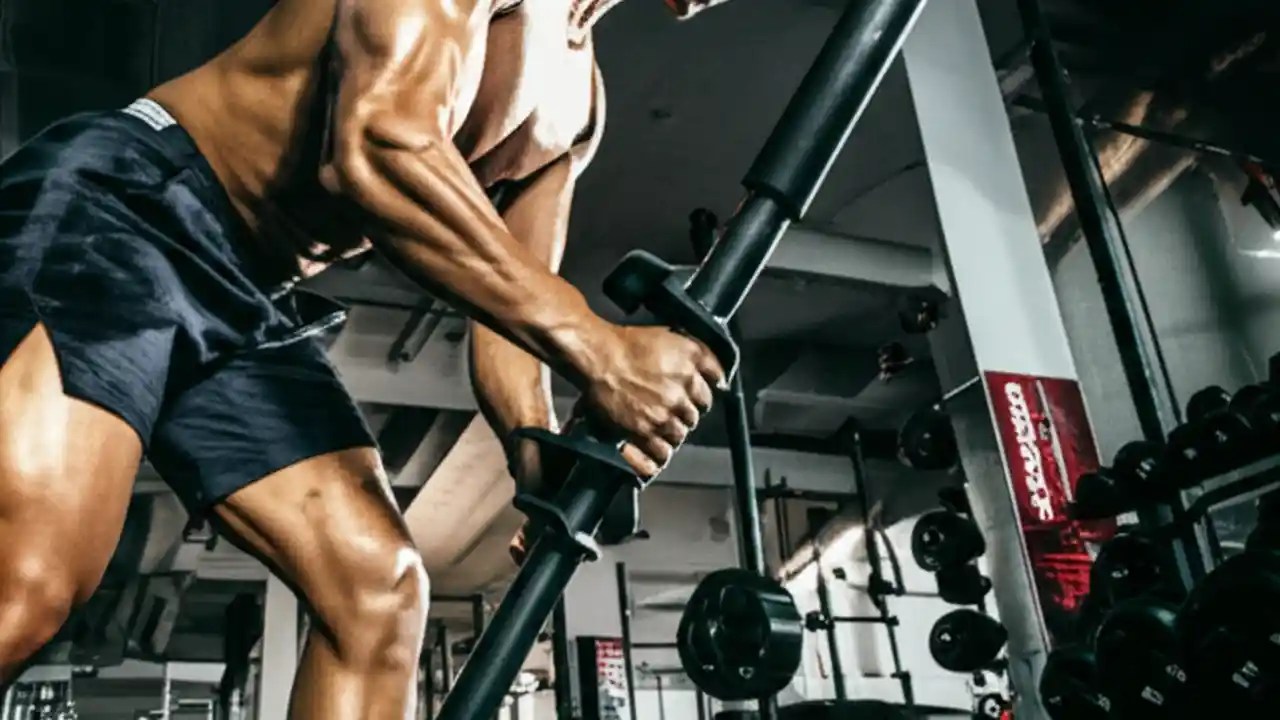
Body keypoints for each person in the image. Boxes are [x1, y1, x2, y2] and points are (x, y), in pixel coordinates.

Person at [0, 0, 732, 715]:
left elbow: (512, 301)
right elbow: (380, 146)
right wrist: (600, 350)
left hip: (251, 286)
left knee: (377, 591)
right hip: (133, 203)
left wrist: (533, 447)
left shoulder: (579, 105)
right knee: (29, 589)